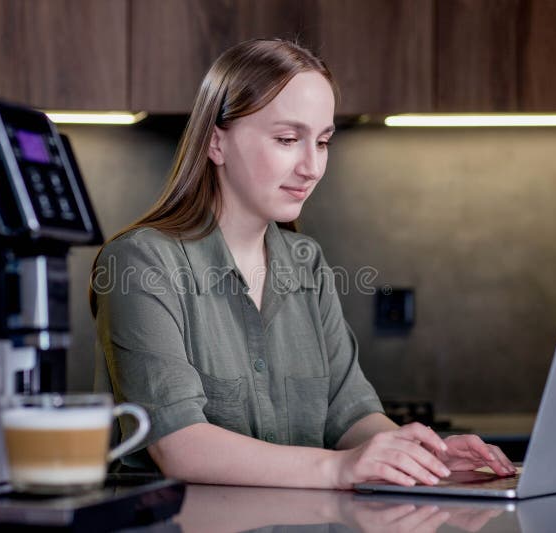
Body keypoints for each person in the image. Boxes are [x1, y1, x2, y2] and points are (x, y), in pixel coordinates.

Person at [90, 38, 515, 490]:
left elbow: (349, 412)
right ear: (216, 143)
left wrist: (426, 459)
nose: (312, 167)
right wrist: (338, 468)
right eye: (288, 140)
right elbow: (179, 447)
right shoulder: (142, 262)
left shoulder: (305, 262)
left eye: (323, 142)